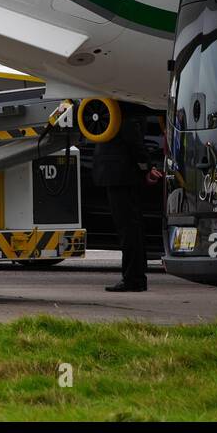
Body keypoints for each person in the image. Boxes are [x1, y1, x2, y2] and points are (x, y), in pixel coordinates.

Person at [92, 101, 159, 293]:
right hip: (121, 175)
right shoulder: (126, 105)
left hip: (120, 176)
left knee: (128, 230)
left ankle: (133, 278)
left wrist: (146, 166)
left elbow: (133, 140)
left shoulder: (122, 106)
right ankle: (135, 277)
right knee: (132, 229)